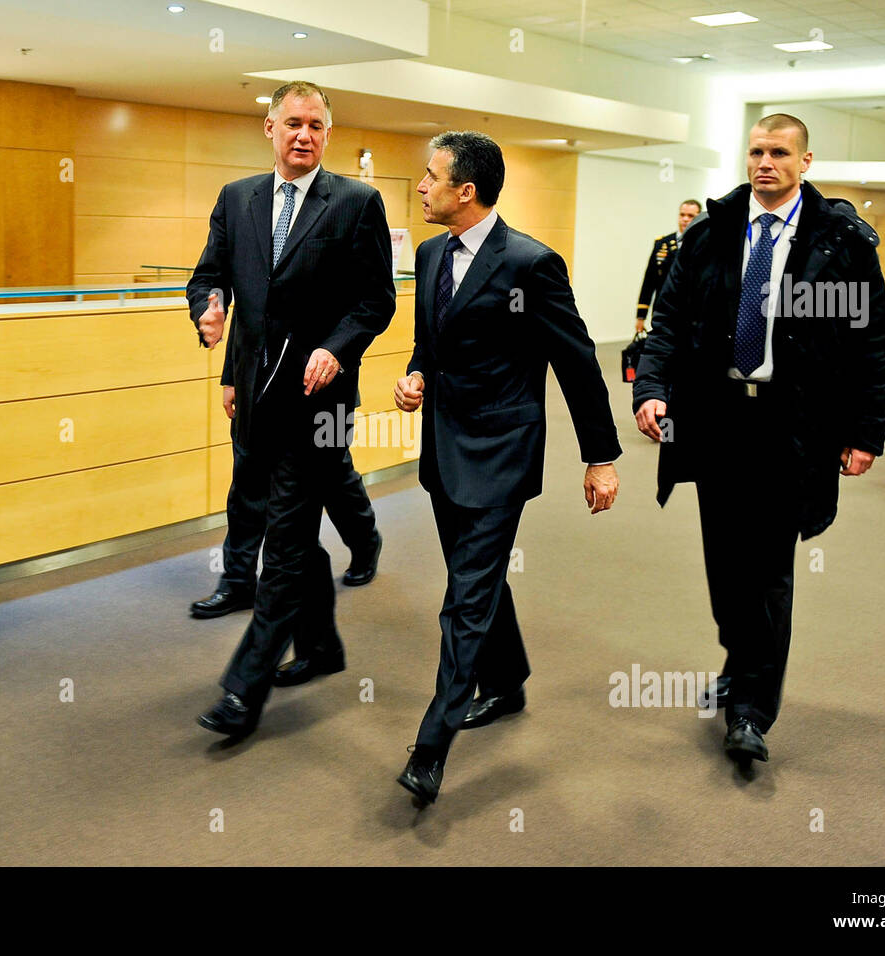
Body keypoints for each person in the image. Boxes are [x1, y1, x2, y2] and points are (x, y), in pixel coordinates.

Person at [633, 114, 885, 770]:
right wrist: (651, 388)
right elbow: (668, 320)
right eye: (756, 151)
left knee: (770, 569)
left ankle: (751, 709)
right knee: (725, 563)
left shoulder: (841, 241)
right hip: (717, 421)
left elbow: (867, 344)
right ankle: (739, 658)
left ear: (806, 161)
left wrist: (866, 431)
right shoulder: (712, 232)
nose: (765, 163)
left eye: (779, 152)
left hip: (791, 425)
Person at [393, 131, 620, 805]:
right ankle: (508, 678)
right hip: (444, 447)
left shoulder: (530, 264)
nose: (421, 187)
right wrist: (415, 376)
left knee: (465, 598)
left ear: (466, 191)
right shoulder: (431, 253)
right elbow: (428, 344)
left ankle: (431, 747)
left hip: (501, 452)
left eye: (431, 177)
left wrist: (600, 457)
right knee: (478, 577)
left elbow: (577, 362)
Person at [187, 81, 395, 735]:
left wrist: (336, 348)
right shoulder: (238, 197)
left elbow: (376, 300)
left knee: (284, 545)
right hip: (255, 399)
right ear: (270, 128)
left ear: (327, 134)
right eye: (293, 123)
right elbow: (210, 277)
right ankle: (322, 645)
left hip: (318, 402)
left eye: (316, 125)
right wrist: (208, 311)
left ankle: (242, 692)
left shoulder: (357, 203)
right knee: (293, 532)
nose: (304, 134)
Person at [188, 375, 382, 621]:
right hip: (258, 385)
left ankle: (365, 543)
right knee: (247, 483)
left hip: (327, 389)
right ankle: (238, 582)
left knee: (333, 478)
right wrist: (232, 378)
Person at [635, 200, 702, 333]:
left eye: (690, 216)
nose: (685, 219)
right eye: (682, 215)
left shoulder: (704, 244)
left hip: (692, 314)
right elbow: (649, 281)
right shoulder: (662, 244)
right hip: (663, 311)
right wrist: (641, 316)